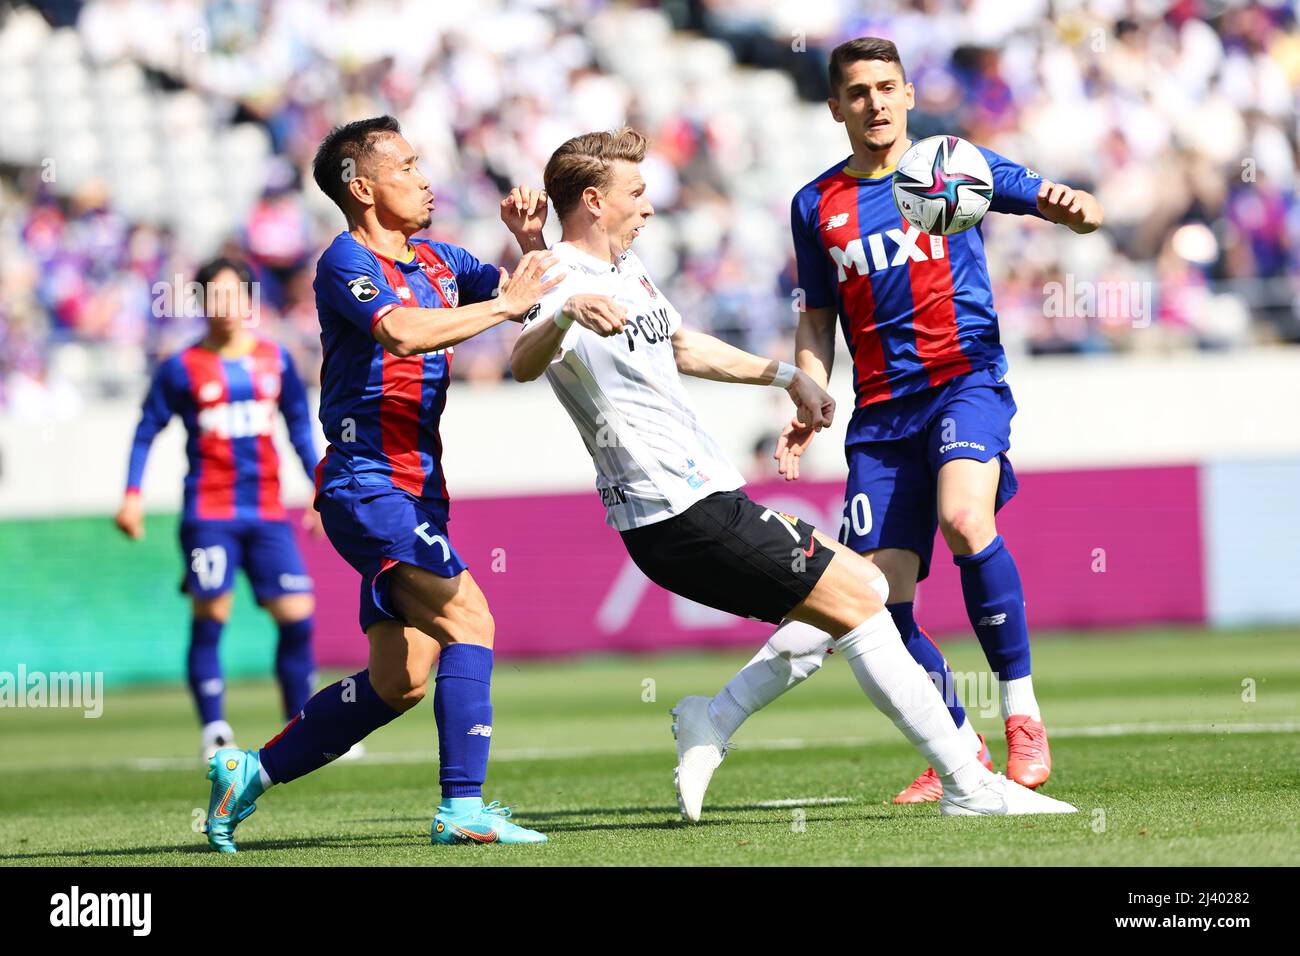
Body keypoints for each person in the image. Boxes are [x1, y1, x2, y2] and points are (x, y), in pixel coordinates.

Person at [510, 127, 1078, 821]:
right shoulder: (557, 277)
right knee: (863, 604)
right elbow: (525, 358)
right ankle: (966, 781)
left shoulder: (626, 272)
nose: (650, 208)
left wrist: (786, 377)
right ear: (594, 202)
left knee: (857, 593)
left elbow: (682, 345)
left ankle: (713, 722)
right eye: (637, 193)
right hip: (676, 509)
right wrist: (563, 308)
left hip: (705, 495)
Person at [683, 36, 1105, 812]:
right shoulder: (816, 204)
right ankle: (958, 746)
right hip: (879, 415)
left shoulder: (955, 167)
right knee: (876, 600)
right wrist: (806, 397)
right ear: (836, 105)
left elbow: (1068, 204)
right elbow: (816, 319)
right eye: (858, 91)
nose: (875, 103)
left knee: (964, 519)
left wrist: (1073, 211)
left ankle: (1023, 718)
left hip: (962, 383)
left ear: (909, 95)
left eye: (887, 87)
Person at [200, 115, 560, 852]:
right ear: (363, 187)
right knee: (471, 621)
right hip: (367, 483)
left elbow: (539, 296)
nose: (426, 177)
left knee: (400, 679)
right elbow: (401, 331)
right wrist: (503, 307)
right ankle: (462, 806)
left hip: (416, 489)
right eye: (408, 165)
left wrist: (530, 246)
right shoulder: (343, 262)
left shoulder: (440, 258)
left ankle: (251, 772)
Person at [116, 256, 322, 760]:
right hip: (209, 513)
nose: (226, 307)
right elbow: (147, 430)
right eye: (216, 296)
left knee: (298, 616)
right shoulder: (181, 367)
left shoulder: (275, 360)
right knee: (213, 612)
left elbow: (297, 427)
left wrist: (320, 488)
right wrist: (132, 495)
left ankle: (300, 725)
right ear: (202, 302)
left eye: (235, 296)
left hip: (268, 512)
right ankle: (214, 729)